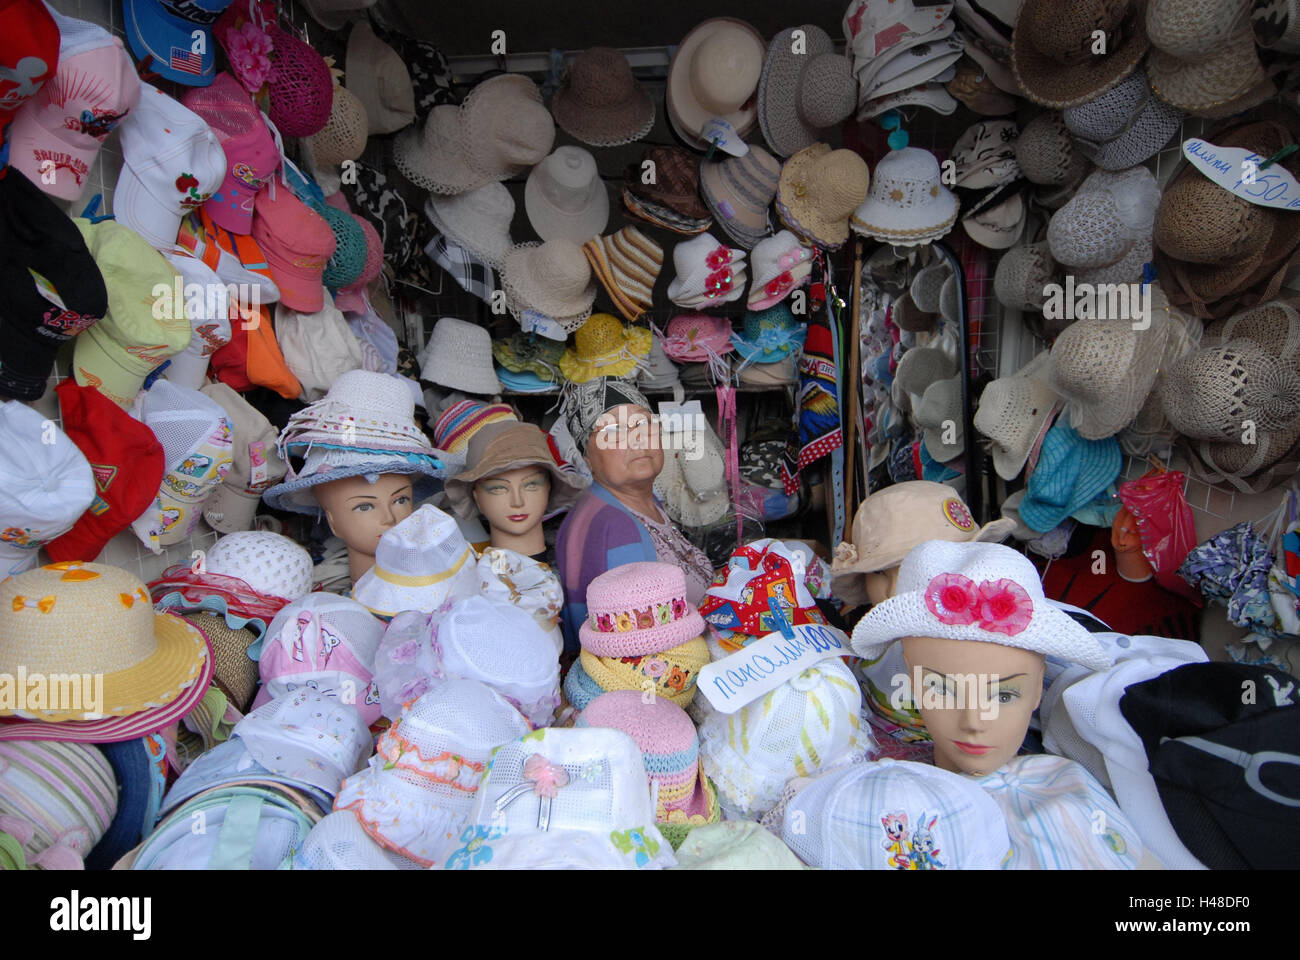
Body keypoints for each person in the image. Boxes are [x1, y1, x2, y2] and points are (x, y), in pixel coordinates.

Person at [556, 378, 714, 653]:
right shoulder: (617, 529)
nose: (636, 439)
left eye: (643, 424)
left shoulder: (637, 503)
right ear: (588, 457)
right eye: (614, 432)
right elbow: (643, 652)